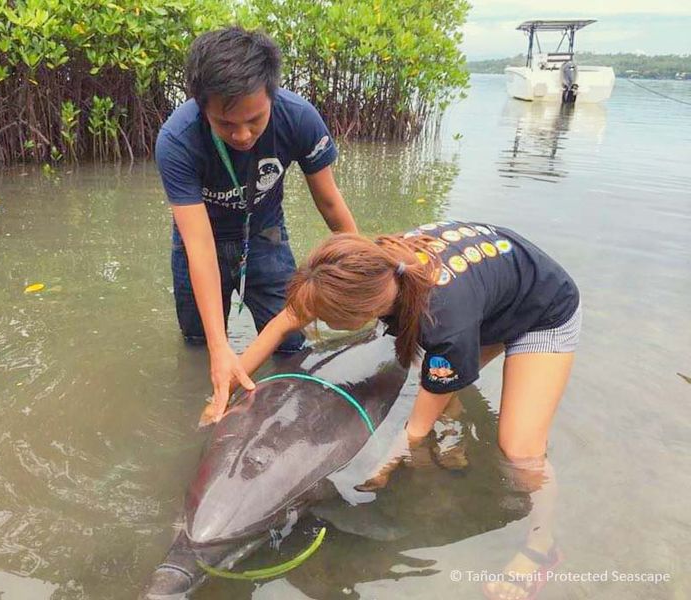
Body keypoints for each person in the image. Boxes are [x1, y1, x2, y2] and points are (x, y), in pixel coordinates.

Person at [210, 220, 581, 599]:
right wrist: (226, 388)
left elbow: (413, 433)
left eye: (328, 320)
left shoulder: (443, 320)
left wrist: (385, 463)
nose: (318, 323)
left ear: (364, 313)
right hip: (488, 296)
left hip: (541, 309)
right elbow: (284, 321)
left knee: (519, 452)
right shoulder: (362, 268)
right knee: (441, 379)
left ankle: (542, 545)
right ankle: (453, 428)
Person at [155, 26, 358, 409]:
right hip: (202, 244)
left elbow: (330, 204)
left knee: (291, 344)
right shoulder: (177, 140)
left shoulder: (299, 118)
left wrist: (364, 264)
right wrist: (220, 350)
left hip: (265, 236)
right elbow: (198, 244)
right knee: (199, 344)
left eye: (255, 119)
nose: (244, 135)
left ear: (272, 95)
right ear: (202, 107)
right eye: (226, 124)